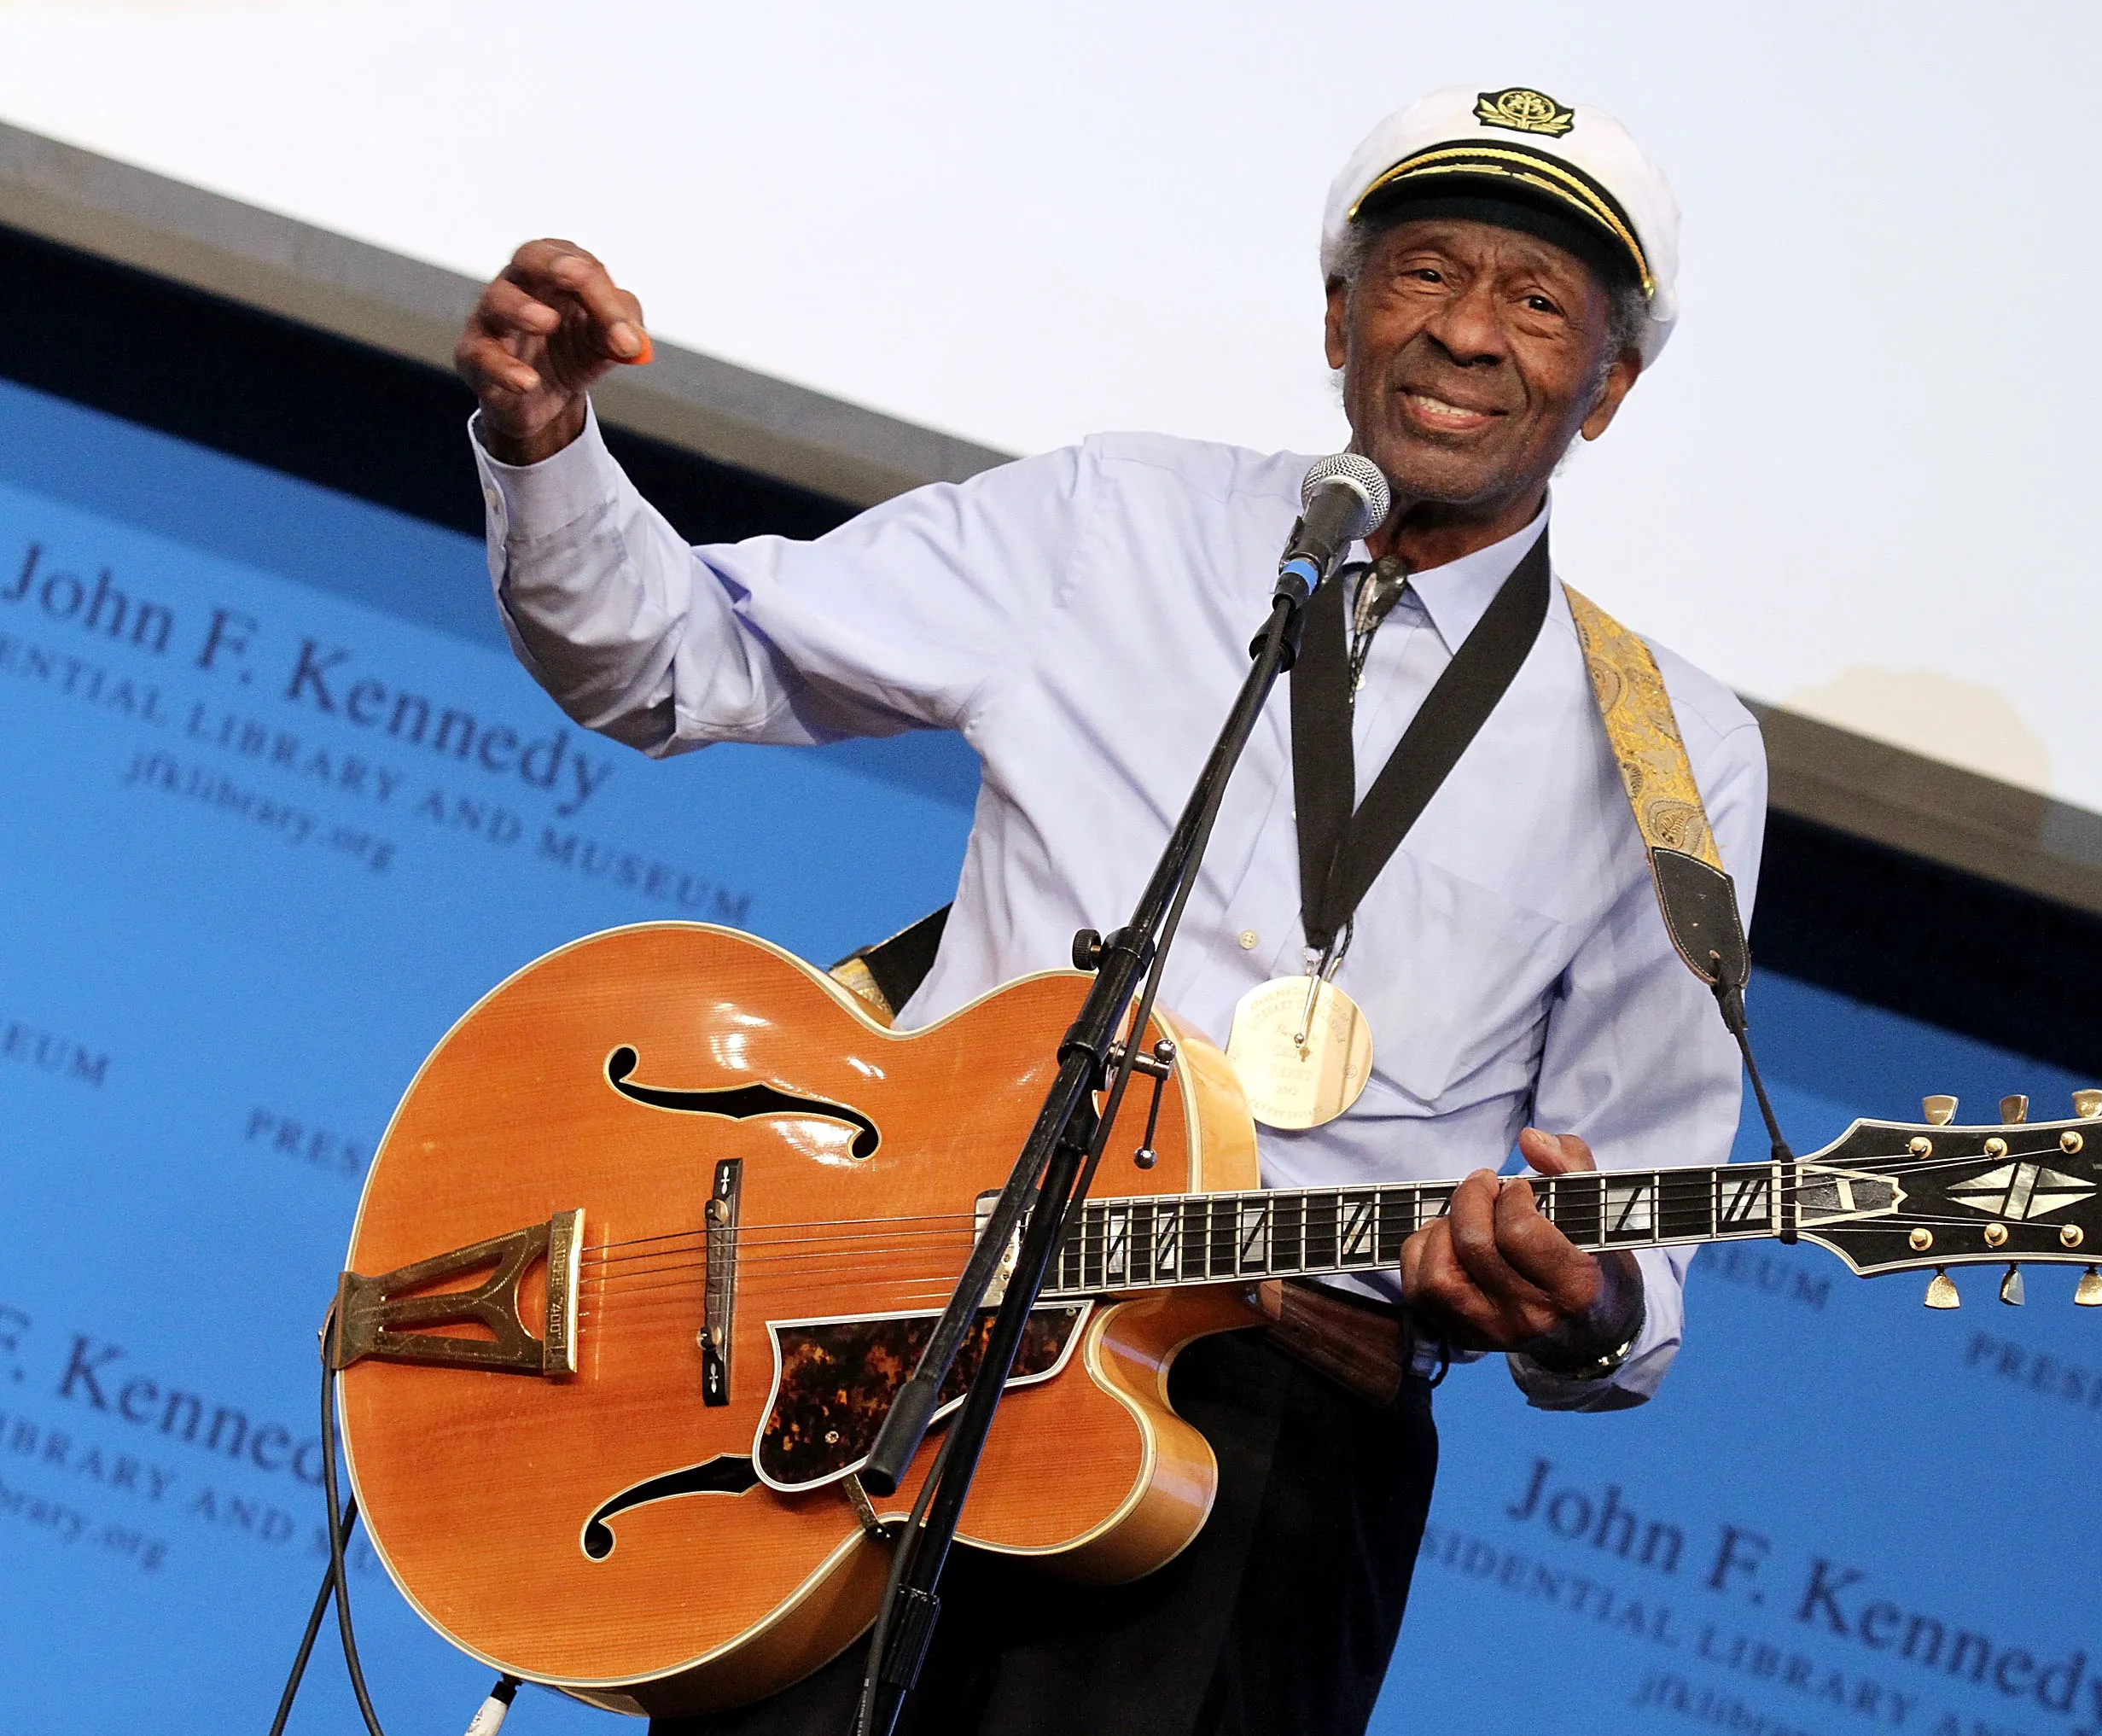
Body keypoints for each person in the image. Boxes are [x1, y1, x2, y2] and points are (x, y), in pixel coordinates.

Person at [457, 85, 1765, 1736]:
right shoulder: (1117, 520)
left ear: (1610, 389)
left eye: (1540, 303)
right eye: (1427, 270)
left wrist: (1574, 1300)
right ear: (1340, 314)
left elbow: (1635, 1212)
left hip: (1270, 1426)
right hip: (890, 1348)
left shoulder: (1673, 751)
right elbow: (671, 657)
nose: (1470, 334)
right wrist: (545, 443)